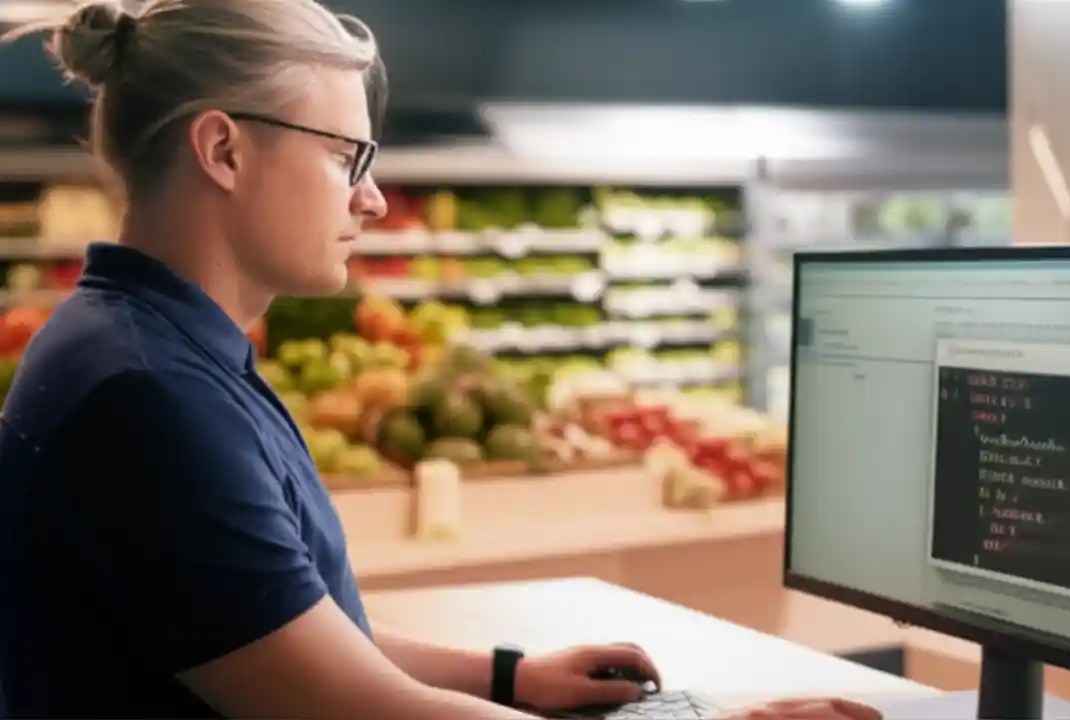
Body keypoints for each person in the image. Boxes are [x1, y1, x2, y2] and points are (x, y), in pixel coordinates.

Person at [0, 2, 884, 719]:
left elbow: (286, 630)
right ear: (223, 149)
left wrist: (509, 677)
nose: (374, 198)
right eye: (346, 155)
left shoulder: (156, 349)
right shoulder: (146, 396)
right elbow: (355, 707)